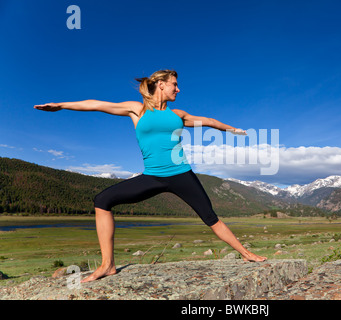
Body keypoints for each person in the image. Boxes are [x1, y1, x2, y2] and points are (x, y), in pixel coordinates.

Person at [34, 69, 267, 282]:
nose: (178, 89)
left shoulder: (178, 115)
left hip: (181, 174)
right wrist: (62, 105)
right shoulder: (137, 109)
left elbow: (210, 122)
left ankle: (246, 254)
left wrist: (234, 130)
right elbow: (96, 104)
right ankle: (107, 265)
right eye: (174, 84)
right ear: (161, 84)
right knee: (102, 200)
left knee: (210, 217)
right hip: (152, 177)